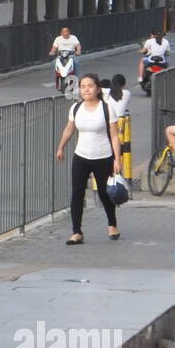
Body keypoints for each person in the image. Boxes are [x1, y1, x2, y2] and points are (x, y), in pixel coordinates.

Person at [55, 74, 122, 245]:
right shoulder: (76, 108)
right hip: (81, 156)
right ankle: (76, 232)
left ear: (98, 89)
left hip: (103, 157)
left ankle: (112, 224)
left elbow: (114, 136)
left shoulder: (106, 109)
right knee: (77, 193)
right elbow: (69, 129)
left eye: (90, 86)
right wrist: (61, 146)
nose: (86, 89)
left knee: (103, 193)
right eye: (83, 86)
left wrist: (117, 159)